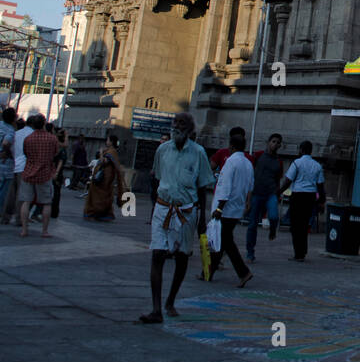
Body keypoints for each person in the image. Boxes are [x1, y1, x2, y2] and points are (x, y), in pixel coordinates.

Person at [139, 111, 214, 324]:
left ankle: (170, 300)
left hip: (187, 211)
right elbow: (159, 178)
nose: (176, 128)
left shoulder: (198, 153)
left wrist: (201, 218)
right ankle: (156, 309)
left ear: (190, 131)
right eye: (175, 124)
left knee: (182, 257)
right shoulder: (162, 150)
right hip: (163, 208)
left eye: (181, 125)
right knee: (158, 254)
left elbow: (202, 187)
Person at [208, 127, 254, 287]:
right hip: (237, 208)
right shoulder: (248, 163)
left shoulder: (231, 162)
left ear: (231, 146)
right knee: (220, 241)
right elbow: (250, 186)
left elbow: (225, 186)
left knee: (226, 242)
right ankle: (208, 272)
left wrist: (219, 207)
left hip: (225, 208)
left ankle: (243, 272)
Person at [245, 133, 284, 262]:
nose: (275, 144)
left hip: (271, 193)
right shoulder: (258, 155)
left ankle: (272, 230)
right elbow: (250, 173)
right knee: (252, 224)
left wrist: (277, 193)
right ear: (268, 142)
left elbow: (278, 178)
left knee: (273, 216)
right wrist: (248, 197)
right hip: (257, 193)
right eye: (273, 141)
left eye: (278, 142)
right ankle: (250, 252)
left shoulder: (278, 161)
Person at [19, 114, 59, 238]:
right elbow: (55, 153)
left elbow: (25, 153)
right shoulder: (52, 139)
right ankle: (44, 231)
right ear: (44, 123)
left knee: (26, 202)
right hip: (45, 173)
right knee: (46, 203)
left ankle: (24, 230)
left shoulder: (28, 139)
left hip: (28, 172)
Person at [285, 140, 325, 261]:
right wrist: (321, 201)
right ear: (311, 151)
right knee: (304, 224)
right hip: (310, 197)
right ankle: (302, 252)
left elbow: (288, 180)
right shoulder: (317, 165)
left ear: (301, 150)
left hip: (297, 196)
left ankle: (298, 252)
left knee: (295, 225)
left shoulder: (296, 163)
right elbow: (321, 186)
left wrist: (278, 192)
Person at [83, 133, 126, 221]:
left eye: (108, 140)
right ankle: (101, 213)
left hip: (104, 179)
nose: (106, 141)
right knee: (102, 195)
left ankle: (98, 213)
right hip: (104, 178)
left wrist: (101, 153)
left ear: (111, 142)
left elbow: (104, 162)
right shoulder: (110, 151)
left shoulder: (111, 152)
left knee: (100, 196)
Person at [3, 114, 36, 226]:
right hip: (25, 167)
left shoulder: (16, 133)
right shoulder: (33, 135)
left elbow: (10, 148)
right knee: (22, 195)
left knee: (10, 195)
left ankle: (5, 217)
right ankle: (19, 219)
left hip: (14, 165)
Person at [0, 107, 16, 221]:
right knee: (3, 192)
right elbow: (6, 142)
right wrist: (8, 152)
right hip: (5, 164)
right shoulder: (11, 130)